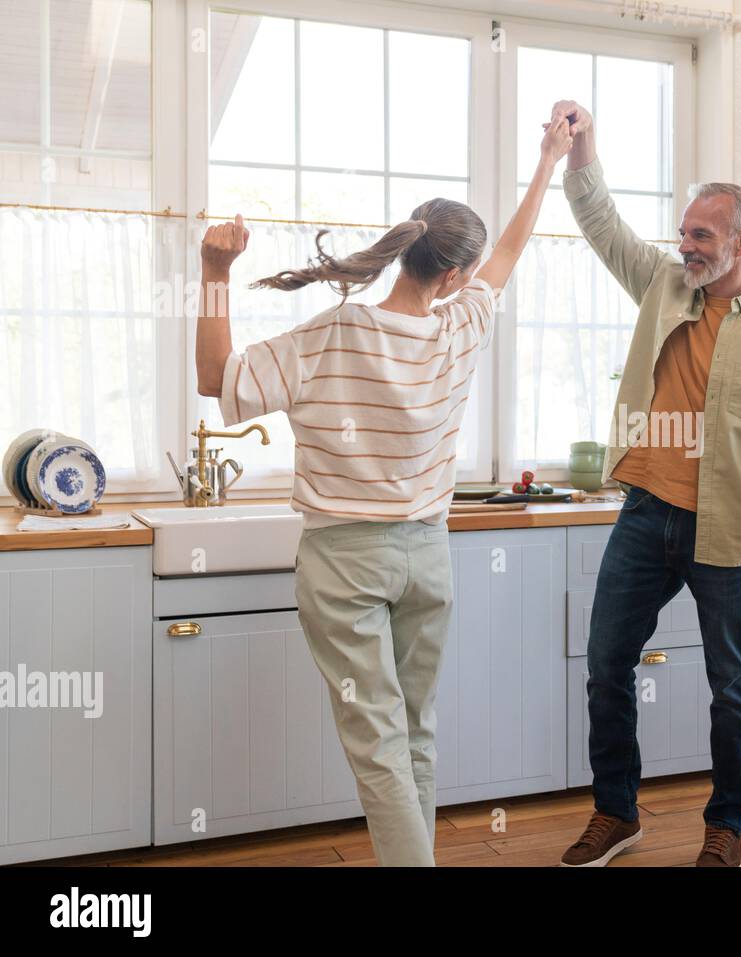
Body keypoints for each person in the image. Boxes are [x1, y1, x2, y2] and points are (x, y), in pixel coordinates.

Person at [193, 109, 575, 866]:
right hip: (427, 557)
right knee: (413, 730)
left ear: (406, 245)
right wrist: (549, 160)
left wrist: (212, 274)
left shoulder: (331, 332)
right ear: (455, 274)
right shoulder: (462, 326)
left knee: (376, 745)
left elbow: (216, 380)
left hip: (344, 562)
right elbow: (511, 249)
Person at [551, 100, 741, 867]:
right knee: (605, 665)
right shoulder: (664, 284)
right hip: (644, 512)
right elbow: (601, 223)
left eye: (702, 235)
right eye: (684, 231)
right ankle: (615, 813)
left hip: (722, 526)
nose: (685, 246)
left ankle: (725, 827)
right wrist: (584, 145)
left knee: (731, 685)